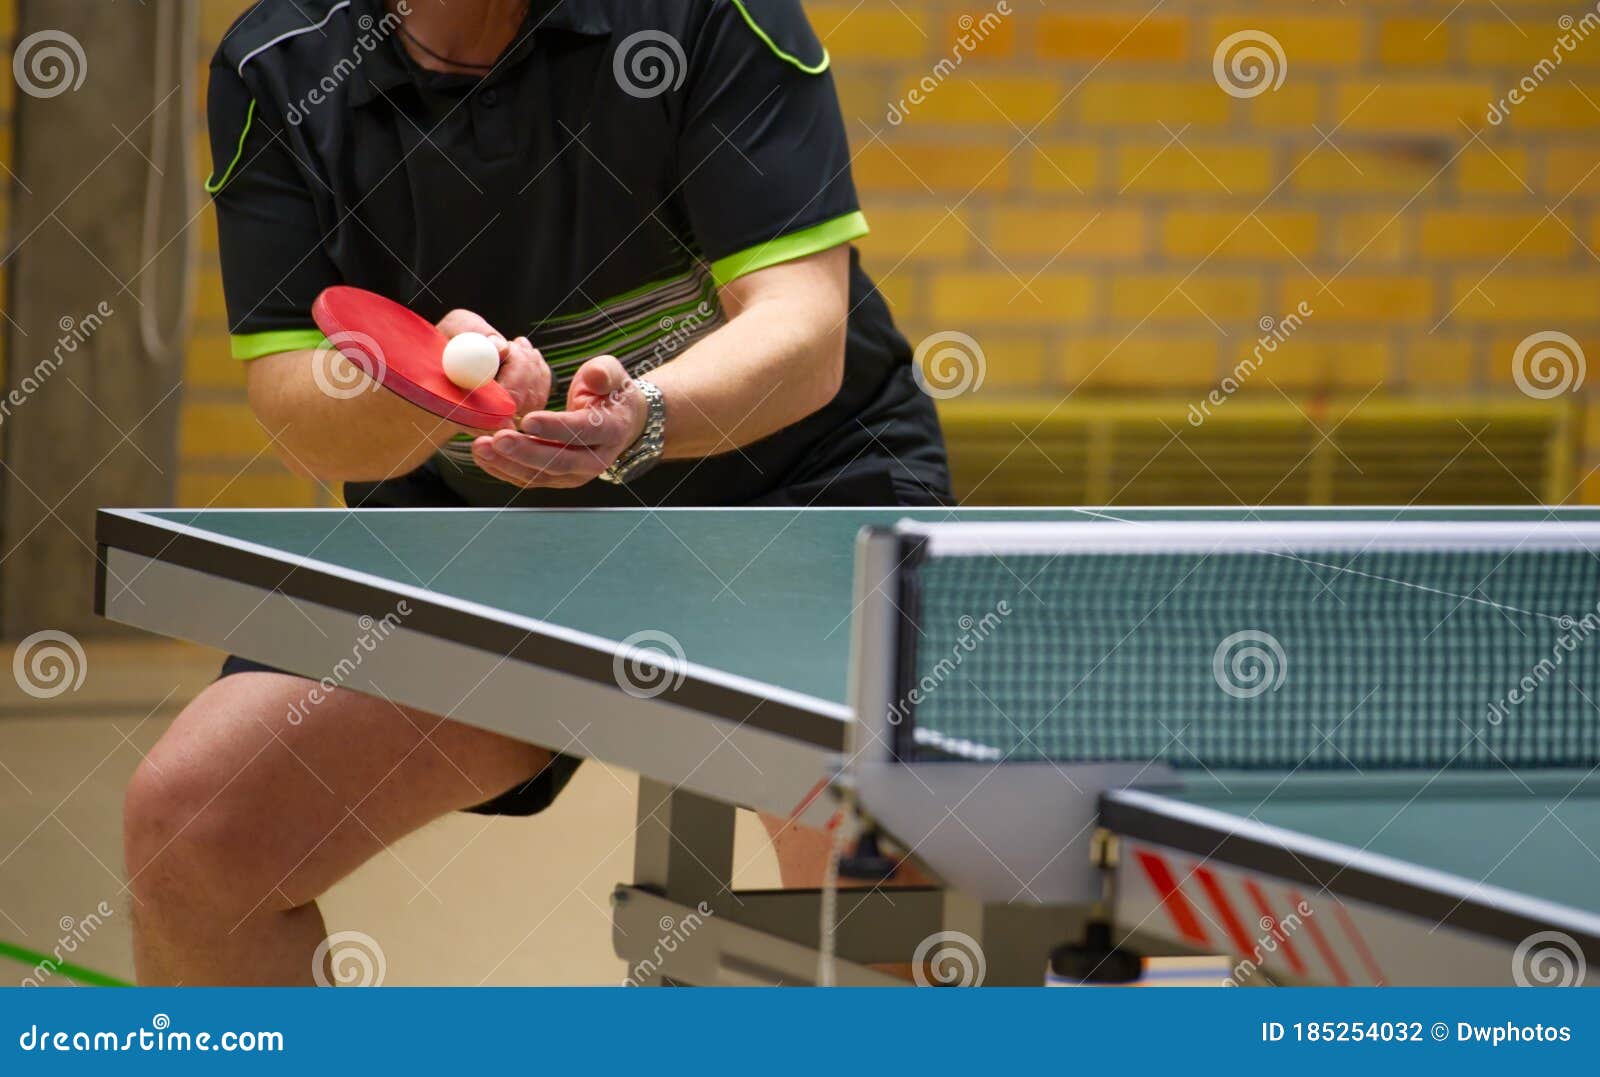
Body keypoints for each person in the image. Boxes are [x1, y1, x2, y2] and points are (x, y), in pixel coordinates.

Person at [123, 0, 950, 985]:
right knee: (194, 835)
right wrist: (436, 399)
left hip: (787, 501)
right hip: (486, 536)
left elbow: (804, 331)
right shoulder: (282, 63)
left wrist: (639, 419)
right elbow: (295, 400)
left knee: (873, 887)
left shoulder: (704, 15)